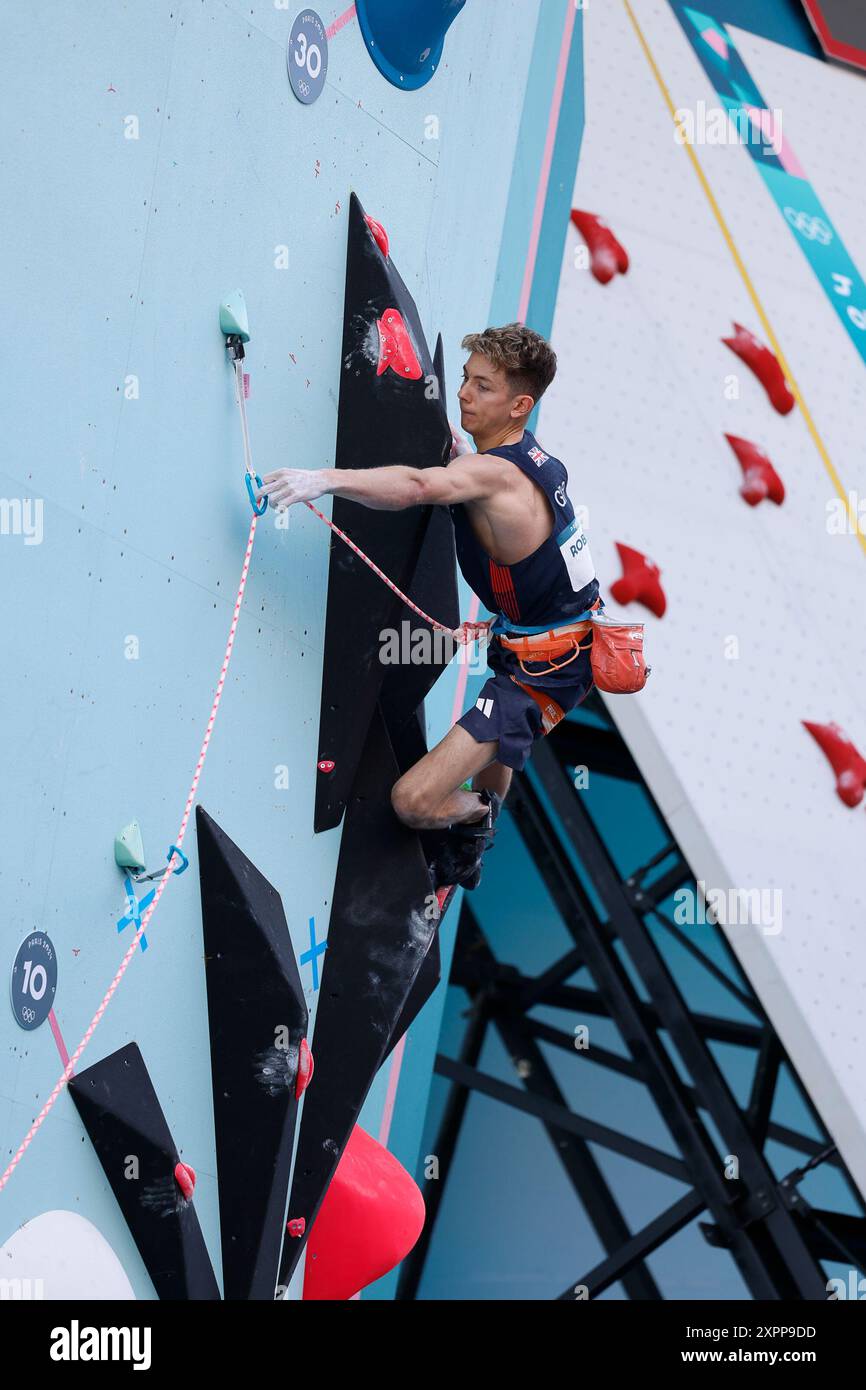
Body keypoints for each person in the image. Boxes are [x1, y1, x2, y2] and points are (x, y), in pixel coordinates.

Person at [259, 322, 603, 889]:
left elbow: (422, 485)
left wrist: (324, 480)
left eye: (483, 387)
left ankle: (477, 817)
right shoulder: (537, 462)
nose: (464, 393)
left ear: (520, 404)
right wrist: (466, 452)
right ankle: (486, 799)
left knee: (413, 802)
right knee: (506, 730)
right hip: (544, 644)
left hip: (547, 667)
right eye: (466, 379)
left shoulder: (494, 475)